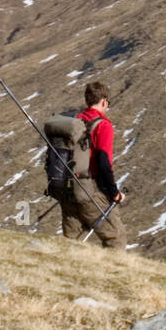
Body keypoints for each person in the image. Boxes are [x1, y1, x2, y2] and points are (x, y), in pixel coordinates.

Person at [60, 80, 126, 249]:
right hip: (89, 190)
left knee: (71, 243)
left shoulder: (76, 122)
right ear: (104, 101)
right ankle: (113, 275)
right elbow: (104, 163)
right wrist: (114, 193)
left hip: (67, 190)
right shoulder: (103, 126)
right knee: (115, 238)